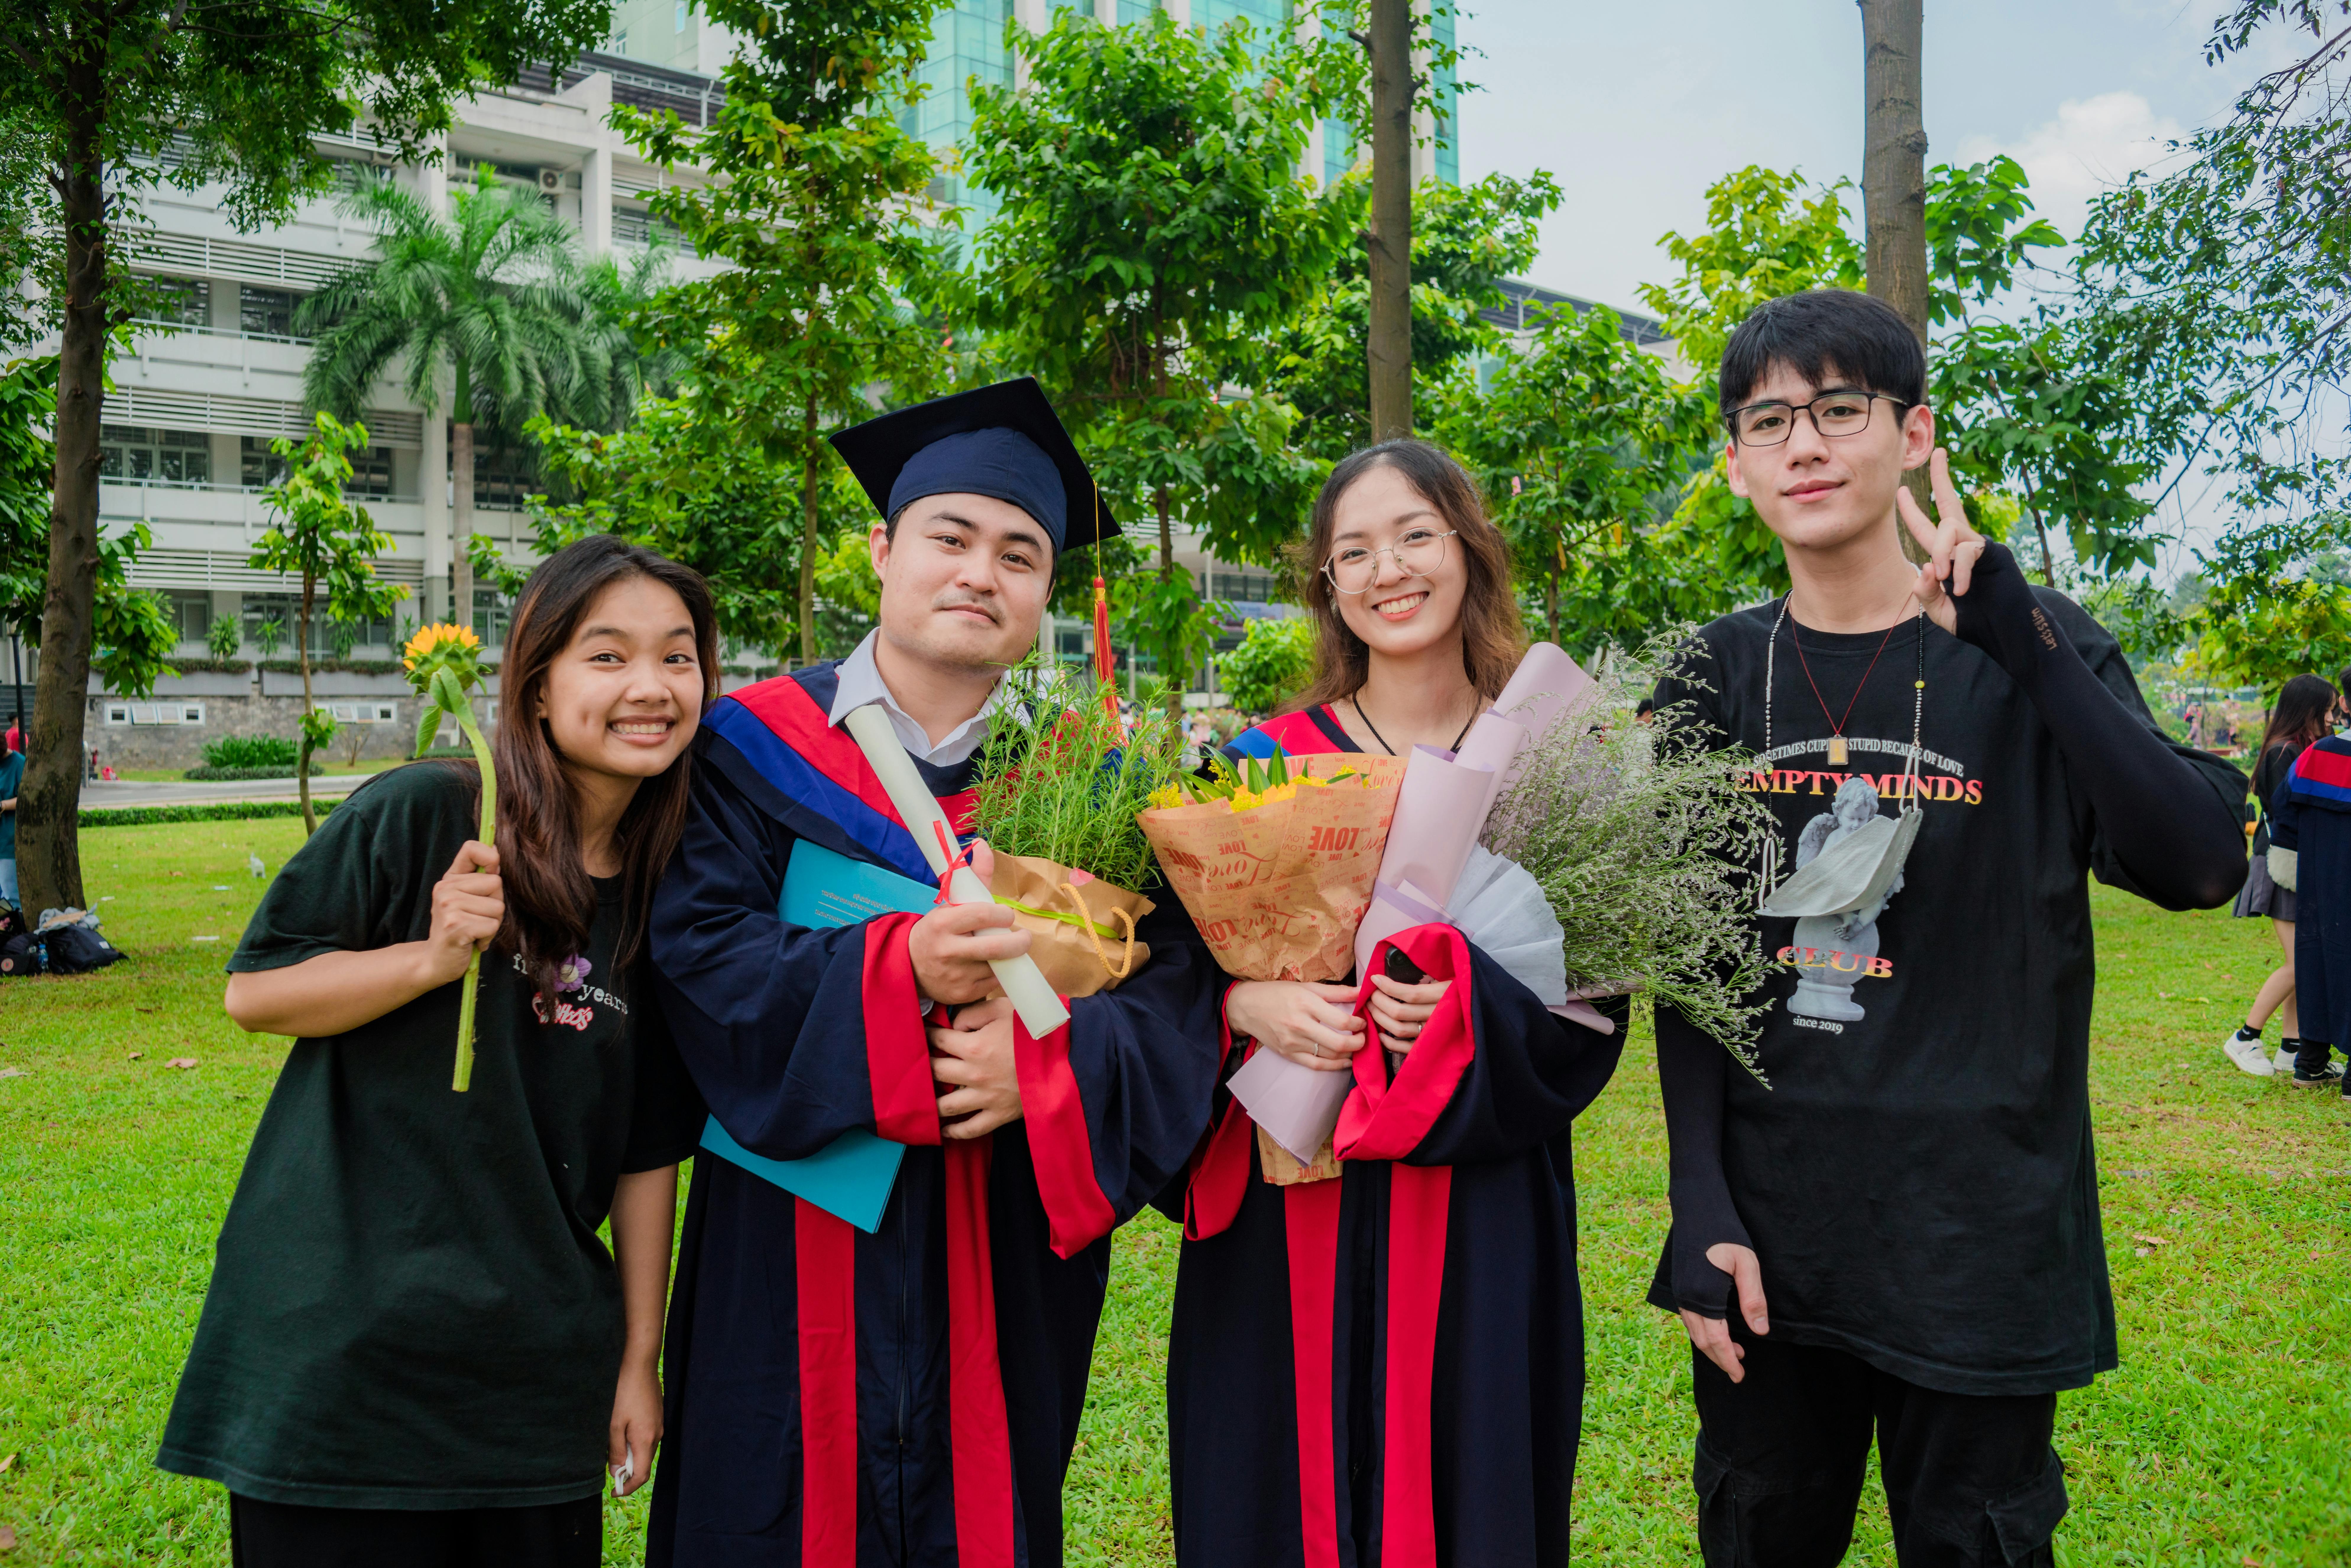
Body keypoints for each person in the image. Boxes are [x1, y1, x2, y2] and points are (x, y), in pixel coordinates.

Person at [1649, 290, 2247, 1568]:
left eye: (1837, 411)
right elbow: (1692, 960)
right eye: (1768, 422)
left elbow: (2197, 863)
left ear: (1912, 434)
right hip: (1771, 1240)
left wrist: (2021, 644)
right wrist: (1695, 1204)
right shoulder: (1711, 675)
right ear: (1737, 464)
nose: (1803, 445)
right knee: (1758, 1533)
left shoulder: (2020, 644)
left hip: (1975, 1236)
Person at [641, 378, 1225, 1567]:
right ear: (880, 552)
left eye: (1019, 553)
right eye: (949, 538)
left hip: (998, 1250)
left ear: (1043, 593)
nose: (979, 573)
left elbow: (1179, 1002)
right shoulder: (744, 751)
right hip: (787, 1237)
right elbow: (697, 969)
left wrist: (1044, 1070)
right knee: (772, 1503)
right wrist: (899, 966)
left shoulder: (1096, 790)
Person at [156, 537, 715, 1567]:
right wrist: (430, 958)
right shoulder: (430, 813)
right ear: (537, 684)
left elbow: (648, 1151)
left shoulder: (671, 892)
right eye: (608, 656)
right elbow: (256, 992)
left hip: (535, 1372)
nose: (650, 686)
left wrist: (640, 1358)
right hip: (343, 1356)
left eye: (678, 657)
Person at [1160, 440, 1625, 1567]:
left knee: (1471, 1476)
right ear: (1326, 584)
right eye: (1351, 551)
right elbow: (1155, 971)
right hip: (1292, 1202)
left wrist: (1467, 1015)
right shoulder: (1256, 764)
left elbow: (1597, 1016)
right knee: (1282, 1479)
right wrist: (1242, 1007)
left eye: (1413, 534)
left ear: (1467, 548)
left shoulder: (1560, 766)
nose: (1386, 569)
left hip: (1480, 1205)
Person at [2223, 675, 2336, 1077]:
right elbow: (2291, 815)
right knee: (2301, 963)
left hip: (2296, 863)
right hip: (2282, 864)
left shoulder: (2296, 749)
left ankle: (2293, 1048)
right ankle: (2244, 1038)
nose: (2331, 716)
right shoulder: (2282, 753)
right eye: (2326, 709)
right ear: (2308, 709)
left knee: (2303, 959)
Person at [2264, 737, 2351, 1091]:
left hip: (2319, 879)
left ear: (2345, 704)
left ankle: (2310, 1063)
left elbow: (2281, 808)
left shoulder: (2318, 753)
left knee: (2316, 957)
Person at [0, 725, 21, 906]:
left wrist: (3, 805)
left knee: (11, 894)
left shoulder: (19, 764)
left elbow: (27, 799)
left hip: (8, 838)